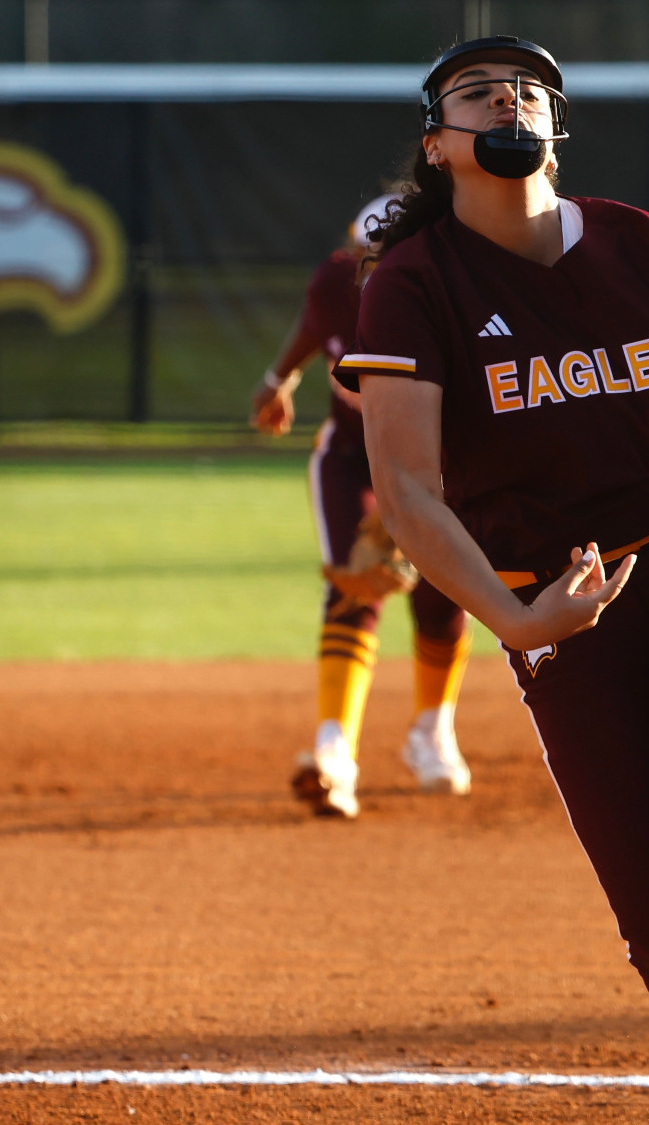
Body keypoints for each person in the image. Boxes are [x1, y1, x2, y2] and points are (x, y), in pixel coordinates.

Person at [336, 36, 649, 1125]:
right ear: (438, 146)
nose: (509, 97)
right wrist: (518, 619)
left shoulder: (647, 247)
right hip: (556, 608)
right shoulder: (413, 287)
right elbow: (408, 491)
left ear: (554, 128)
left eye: (526, 89)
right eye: (477, 92)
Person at [249, 195, 474, 818]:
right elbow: (315, 322)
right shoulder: (338, 282)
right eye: (363, 254)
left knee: (443, 590)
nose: (369, 267)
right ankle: (334, 750)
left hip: (442, 464)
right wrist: (278, 380)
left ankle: (431, 731)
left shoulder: (466, 295)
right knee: (356, 583)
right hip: (352, 458)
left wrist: (419, 503)